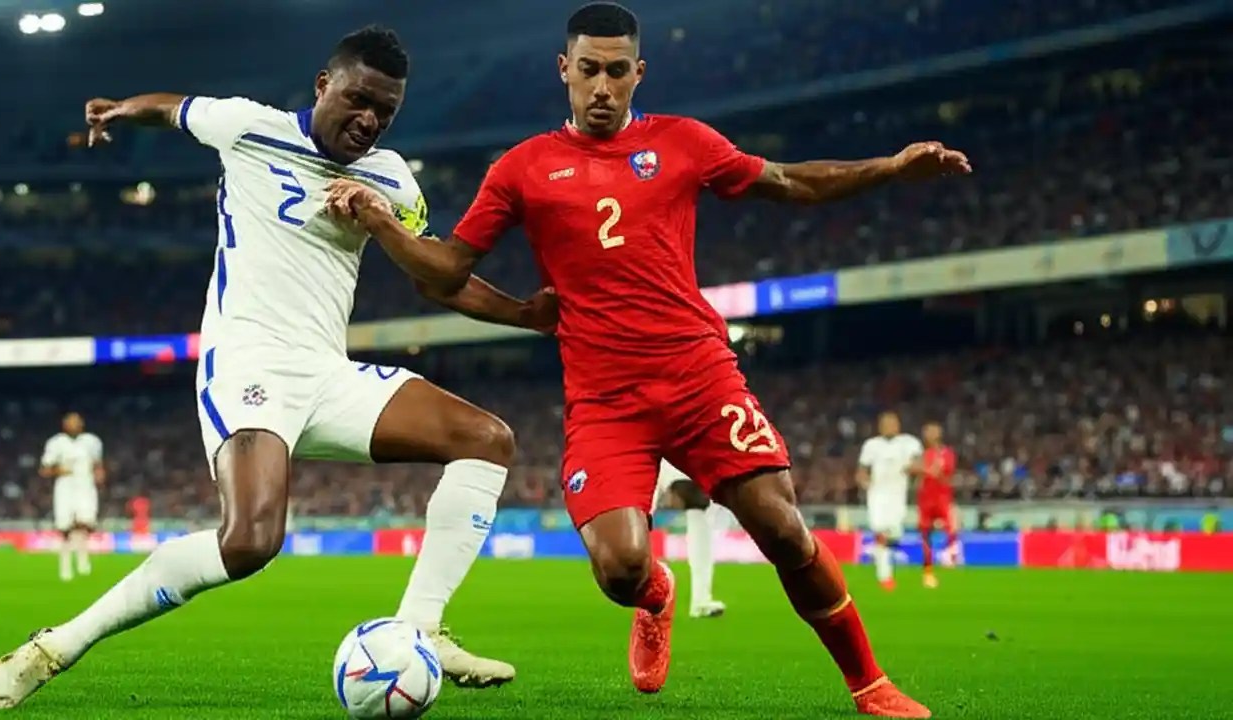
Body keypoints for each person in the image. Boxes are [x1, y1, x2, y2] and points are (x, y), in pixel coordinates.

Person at [325, 4, 969, 716]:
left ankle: (869, 684)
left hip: (700, 376)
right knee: (620, 568)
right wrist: (384, 223)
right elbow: (444, 272)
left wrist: (889, 168)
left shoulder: (684, 142)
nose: (603, 87)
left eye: (618, 71)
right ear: (564, 70)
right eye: (590, 70)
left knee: (783, 529)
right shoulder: (523, 168)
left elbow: (788, 182)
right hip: (606, 402)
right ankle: (657, 595)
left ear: (639, 73)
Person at [0, 26, 553, 709]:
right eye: (358, 99)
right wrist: (118, 110)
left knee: (486, 439)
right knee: (249, 542)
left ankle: (419, 629)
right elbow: (176, 107)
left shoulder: (392, 177)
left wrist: (525, 313)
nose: (368, 120)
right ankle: (57, 646)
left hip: (326, 373)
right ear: (324, 85)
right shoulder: (250, 128)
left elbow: (438, 279)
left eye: (385, 112)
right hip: (247, 365)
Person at [856, 412, 923, 592]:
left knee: (893, 534)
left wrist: (914, 469)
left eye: (892, 423)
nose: (889, 426)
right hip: (877, 494)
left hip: (898, 494)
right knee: (881, 533)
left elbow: (919, 464)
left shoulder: (909, 443)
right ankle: (884, 576)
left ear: (898, 425)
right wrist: (864, 482)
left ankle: (881, 555)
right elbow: (862, 469)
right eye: (885, 423)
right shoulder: (872, 445)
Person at [652, 460, 725, 618]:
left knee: (701, 511)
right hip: (653, 450)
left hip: (685, 452)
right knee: (640, 513)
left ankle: (701, 601)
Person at [39, 412, 105, 582]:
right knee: (65, 528)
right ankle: (65, 566)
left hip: (85, 486)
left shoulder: (92, 441)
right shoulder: (56, 443)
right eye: (70, 422)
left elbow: (98, 464)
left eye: (76, 422)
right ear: (64, 425)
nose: (73, 425)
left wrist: (99, 474)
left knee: (85, 523)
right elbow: (45, 469)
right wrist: (58, 470)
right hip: (65, 487)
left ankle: (83, 560)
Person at [917, 422, 959, 588]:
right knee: (925, 534)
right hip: (925, 499)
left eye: (932, 431)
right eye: (926, 431)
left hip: (942, 497)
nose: (929, 434)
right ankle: (928, 572)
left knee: (951, 528)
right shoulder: (922, 454)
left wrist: (933, 471)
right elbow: (917, 472)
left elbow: (946, 475)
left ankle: (950, 555)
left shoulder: (947, 453)